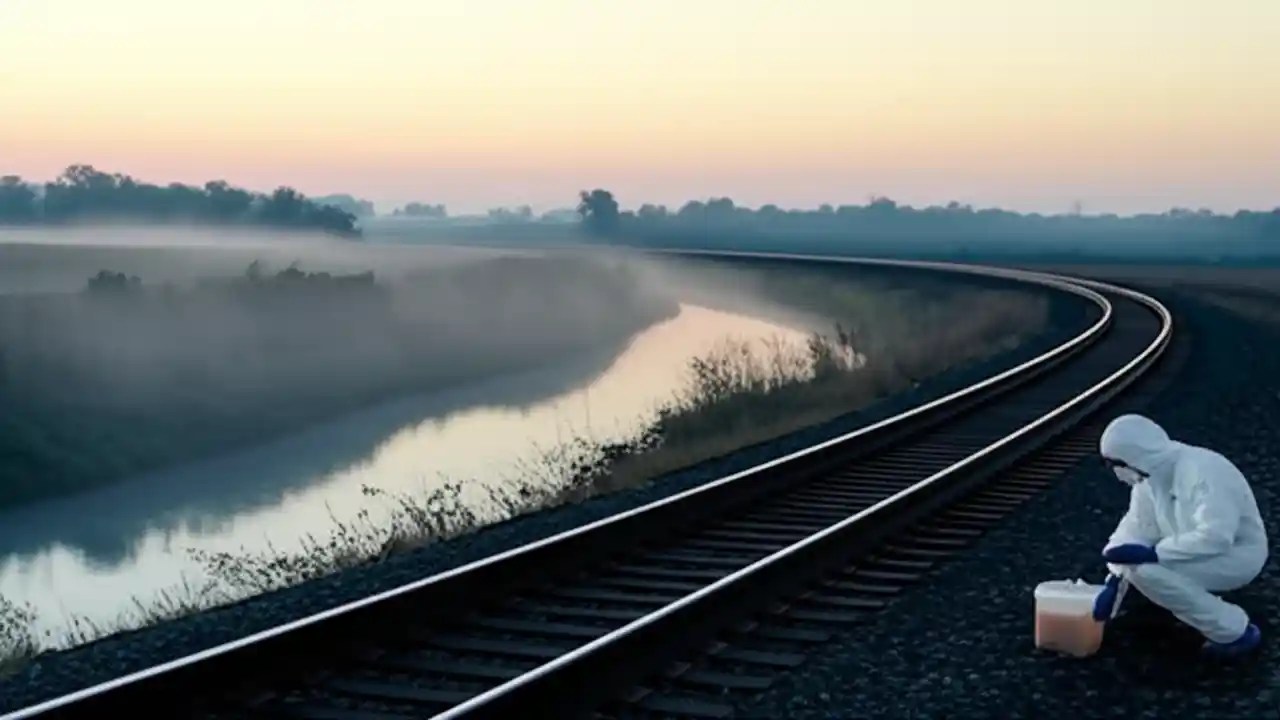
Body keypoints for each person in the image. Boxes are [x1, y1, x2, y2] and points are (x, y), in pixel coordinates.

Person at [1090, 413, 1268, 657]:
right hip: (1189, 549)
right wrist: (1114, 577)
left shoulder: (1204, 471)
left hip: (1236, 555)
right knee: (1135, 568)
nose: (1117, 473)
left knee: (1144, 572)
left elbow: (1216, 536)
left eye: (1115, 465)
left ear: (1134, 456)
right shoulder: (1149, 478)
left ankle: (1233, 631)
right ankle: (1183, 595)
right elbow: (1137, 527)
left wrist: (1156, 554)